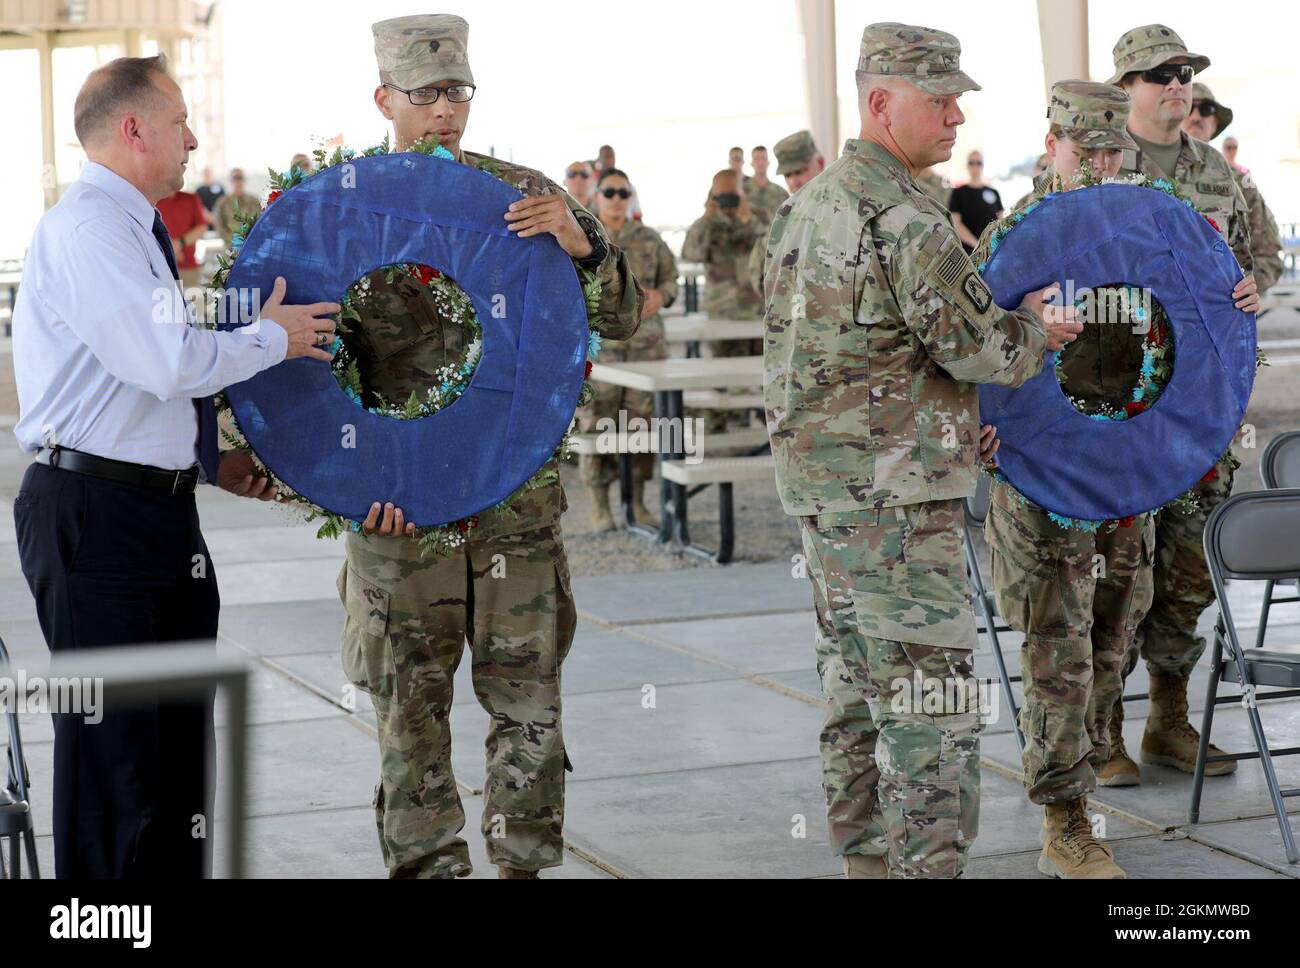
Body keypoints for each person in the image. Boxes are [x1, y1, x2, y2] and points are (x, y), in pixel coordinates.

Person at [763, 21, 1080, 879]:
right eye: (938, 102)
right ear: (879, 102)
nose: (953, 120)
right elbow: (981, 349)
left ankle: (864, 860)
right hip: (898, 507)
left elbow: (842, 356)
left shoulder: (803, 211)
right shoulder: (908, 218)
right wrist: (1041, 331)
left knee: (855, 697)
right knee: (932, 709)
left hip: (825, 500)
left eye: (956, 103)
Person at [11, 53, 338, 879]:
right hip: (96, 518)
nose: (193, 138)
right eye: (180, 120)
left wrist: (204, 459)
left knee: (172, 752)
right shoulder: (88, 227)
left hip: (148, 512)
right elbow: (164, 361)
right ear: (133, 129)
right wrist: (276, 339)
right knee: (115, 757)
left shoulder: (129, 228)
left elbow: (129, 387)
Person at [353, 14, 641, 879]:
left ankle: (522, 865)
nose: (446, 111)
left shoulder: (523, 197)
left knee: (530, 708)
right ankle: (428, 867)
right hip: (404, 516)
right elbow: (302, 363)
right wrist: (337, 478)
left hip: (514, 511)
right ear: (384, 99)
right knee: (410, 712)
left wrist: (581, 240)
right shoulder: (347, 206)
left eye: (459, 92)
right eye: (426, 94)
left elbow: (622, 314)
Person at [973, 81, 1152, 878]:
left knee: (1113, 640)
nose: (1102, 163)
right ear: (1054, 145)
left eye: (1114, 149)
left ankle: (1086, 770)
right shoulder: (1016, 238)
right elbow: (964, 344)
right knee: (1059, 651)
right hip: (1042, 485)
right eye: (1088, 148)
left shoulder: (1144, 234)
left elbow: (1185, 336)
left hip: (1121, 477)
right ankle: (1066, 821)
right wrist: (973, 424)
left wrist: (1237, 298)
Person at [1098, 24, 1262, 788]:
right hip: (1123, 411)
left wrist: (1258, 280)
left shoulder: (1214, 173)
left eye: (1187, 72)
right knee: (1118, 576)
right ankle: (1102, 733)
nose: (1179, 84)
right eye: (1162, 74)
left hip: (1201, 408)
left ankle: (1169, 720)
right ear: (1126, 84)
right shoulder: (1096, 166)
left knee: (1189, 570)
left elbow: (1260, 251)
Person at [575, 168, 677, 531]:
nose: (616, 200)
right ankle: (600, 506)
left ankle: (637, 501)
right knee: (596, 421)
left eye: (623, 193)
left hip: (645, 349)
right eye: (609, 192)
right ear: (596, 196)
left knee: (641, 424)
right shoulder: (583, 238)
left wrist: (662, 295)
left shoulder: (649, 238)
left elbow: (671, 280)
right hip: (600, 349)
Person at [682, 168, 767, 430]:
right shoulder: (707, 223)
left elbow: (774, 245)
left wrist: (747, 220)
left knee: (766, 381)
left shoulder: (757, 217)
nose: (728, 202)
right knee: (723, 380)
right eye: (722, 196)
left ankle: (766, 440)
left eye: (733, 195)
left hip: (757, 312)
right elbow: (691, 253)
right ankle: (727, 436)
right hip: (723, 313)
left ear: (742, 192)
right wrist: (708, 218)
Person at [1182, 82, 1283, 293]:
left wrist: (1239, 291)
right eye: (1189, 107)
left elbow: (1269, 256)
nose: (1196, 116)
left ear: (1216, 122)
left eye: (1206, 109)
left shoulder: (1237, 182)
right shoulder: (1151, 173)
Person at [746, 130, 825, 294]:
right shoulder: (786, 218)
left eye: (799, 171)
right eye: (787, 175)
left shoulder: (845, 208)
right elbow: (759, 272)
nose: (793, 181)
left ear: (820, 162)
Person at [947, 150, 1001, 251]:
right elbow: (956, 224)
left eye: (979, 163)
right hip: (969, 252)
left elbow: (1000, 222)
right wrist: (978, 246)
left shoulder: (993, 192)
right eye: (971, 163)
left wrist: (992, 245)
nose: (975, 166)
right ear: (967, 166)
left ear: (983, 165)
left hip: (991, 251)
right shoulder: (958, 193)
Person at [157, 184, 208, 289]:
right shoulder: (151, 200)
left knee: (191, 303)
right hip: (159, 268)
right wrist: (170, 249)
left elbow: (202, 227)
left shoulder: (191, 198)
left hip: (188, 267)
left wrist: (178, 244)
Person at [213, 167, 261, 245]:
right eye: (235, 178)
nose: (237, 181)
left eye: (240, 178)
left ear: (244, 180)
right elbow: (219, 227)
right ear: (230, 181)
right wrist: (236, 243)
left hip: (251, 246)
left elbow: (260, 224)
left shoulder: (254, 202)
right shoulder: (222, 203)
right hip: (230, 249)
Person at [743, 145, 789, 214]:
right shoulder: (742, 192)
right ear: (751, 163)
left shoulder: (781, 193)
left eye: (764, 158)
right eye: (757, 159)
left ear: (768, 162)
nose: (760, 162)